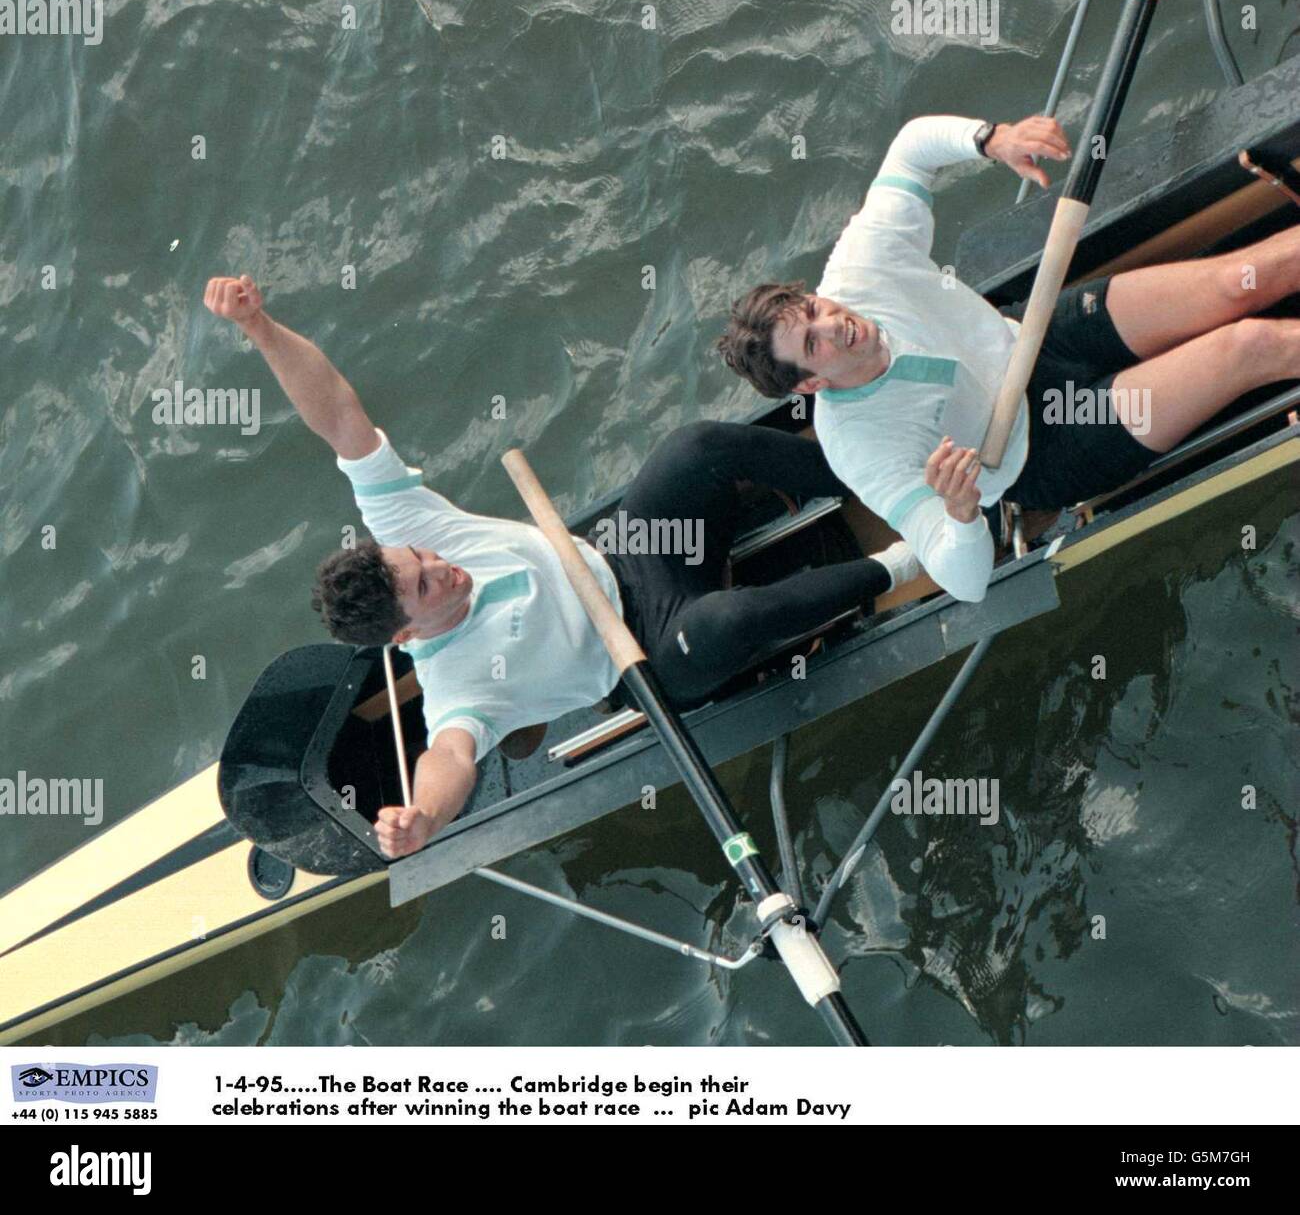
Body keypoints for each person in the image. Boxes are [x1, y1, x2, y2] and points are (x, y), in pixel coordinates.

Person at [204, 275, 918, 857]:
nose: (441, 566)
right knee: (728, 622)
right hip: (648, 652)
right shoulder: (458, 690)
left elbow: (336, 413)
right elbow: (448, 760)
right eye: (427, 586)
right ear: (403, 639)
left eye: (423, 557)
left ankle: (872, 468)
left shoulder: (403, 522)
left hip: (632, 556)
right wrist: (422, 818)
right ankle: (902, 565)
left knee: (693, 447)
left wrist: (259, 328)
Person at [717, 114, 1300, 601]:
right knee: (1243, 347)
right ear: (812, 385)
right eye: (813, 343)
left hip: (1040, 337)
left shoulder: (858, 267)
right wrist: (962, 511)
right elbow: (962, 579)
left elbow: (910, 150)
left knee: (1238, 284)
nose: (833, 323)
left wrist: (991, 140)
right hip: (1045, 450)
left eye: (815, 309)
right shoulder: (858, 446)